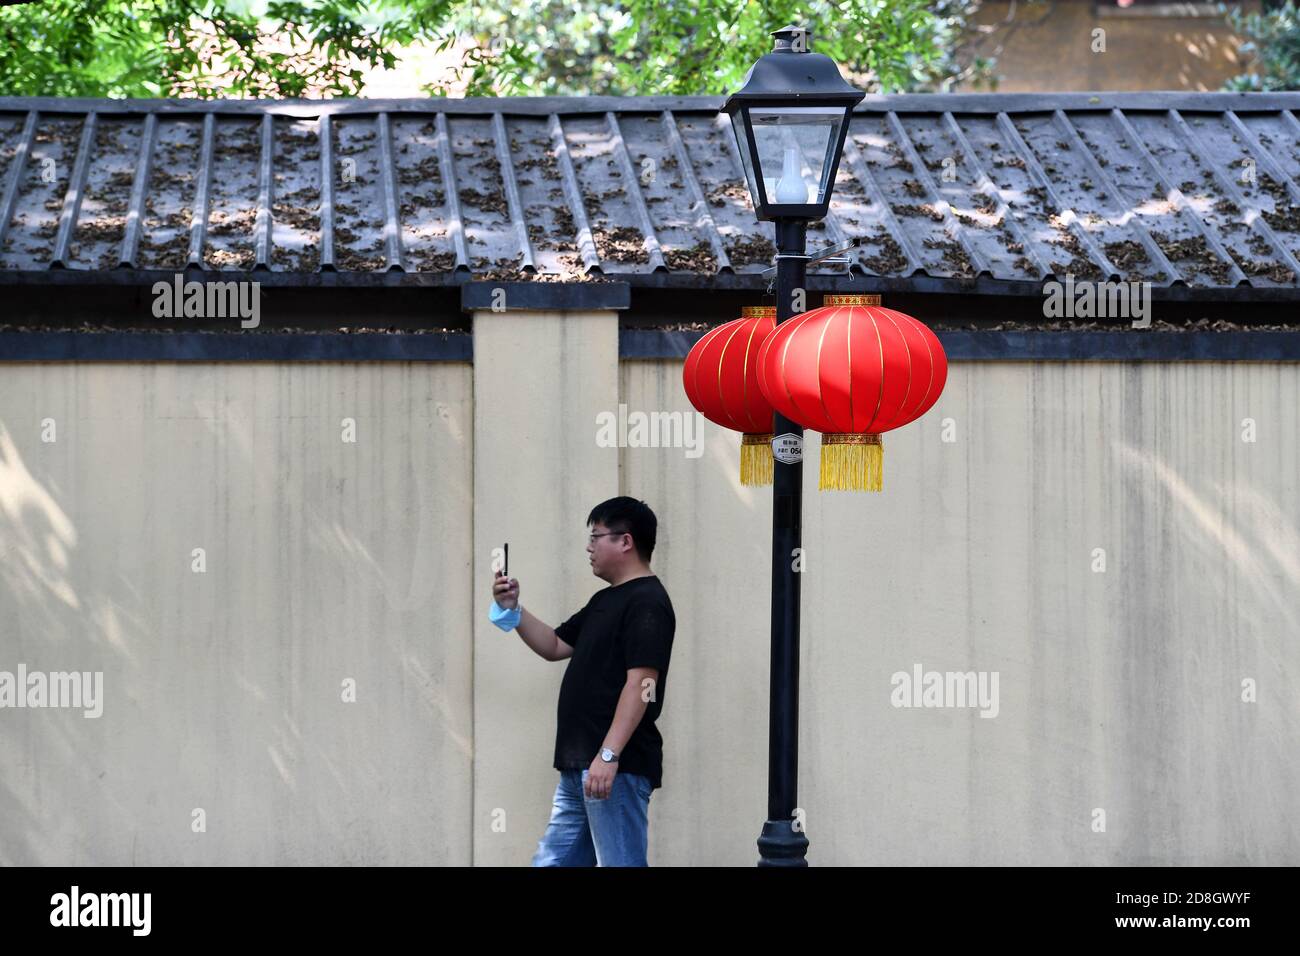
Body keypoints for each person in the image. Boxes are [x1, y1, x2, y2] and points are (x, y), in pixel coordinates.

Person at [489, 496, 675, 867]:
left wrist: (609, 755)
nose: (589, 547)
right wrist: (513, 609)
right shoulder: (604, 600)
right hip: (580, 768)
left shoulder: (647, 602)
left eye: (596, 536)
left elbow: (642, 684)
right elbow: (555, 645)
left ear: (625, 541)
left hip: (613, 769)